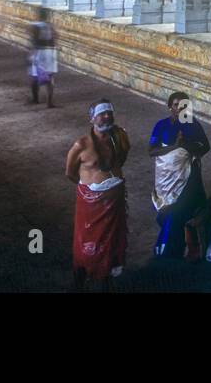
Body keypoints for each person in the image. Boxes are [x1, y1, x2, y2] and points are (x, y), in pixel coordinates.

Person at [65, 100, 130, 288]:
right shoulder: (81, 145)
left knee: (112, 242)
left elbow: (121, 160)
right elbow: (70, 173)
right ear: (92, 118)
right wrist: (91, 189)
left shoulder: (119, 137)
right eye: (102, 114)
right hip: (91, 204)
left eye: (109, 112)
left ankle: (107, 277)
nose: (107, 116)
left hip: (114, 199)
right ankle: (80, 277)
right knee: (86, 241)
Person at [148, 91, 211, 262]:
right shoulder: (161, 125)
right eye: (176, 105)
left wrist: (186, 146)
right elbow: (152, 151)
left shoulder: (193, 125)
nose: (180, 108)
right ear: (170, 107)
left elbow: (205, 148)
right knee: (166, 212)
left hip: (189, 177)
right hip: (166, 179)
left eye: (184, 105)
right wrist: (174, 146)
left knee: (181, 210)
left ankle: (181, 248)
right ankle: (177, 247)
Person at [28, 8, 58, 107]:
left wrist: (32, 53)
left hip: (40, 51)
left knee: (35, 76)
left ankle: (35, 99)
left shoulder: (35, 26)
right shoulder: (50, 26)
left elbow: (34, 40)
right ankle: (49, 102)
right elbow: (55, 38)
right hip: (50, 52)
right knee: (50, 77)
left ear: (38, 15)